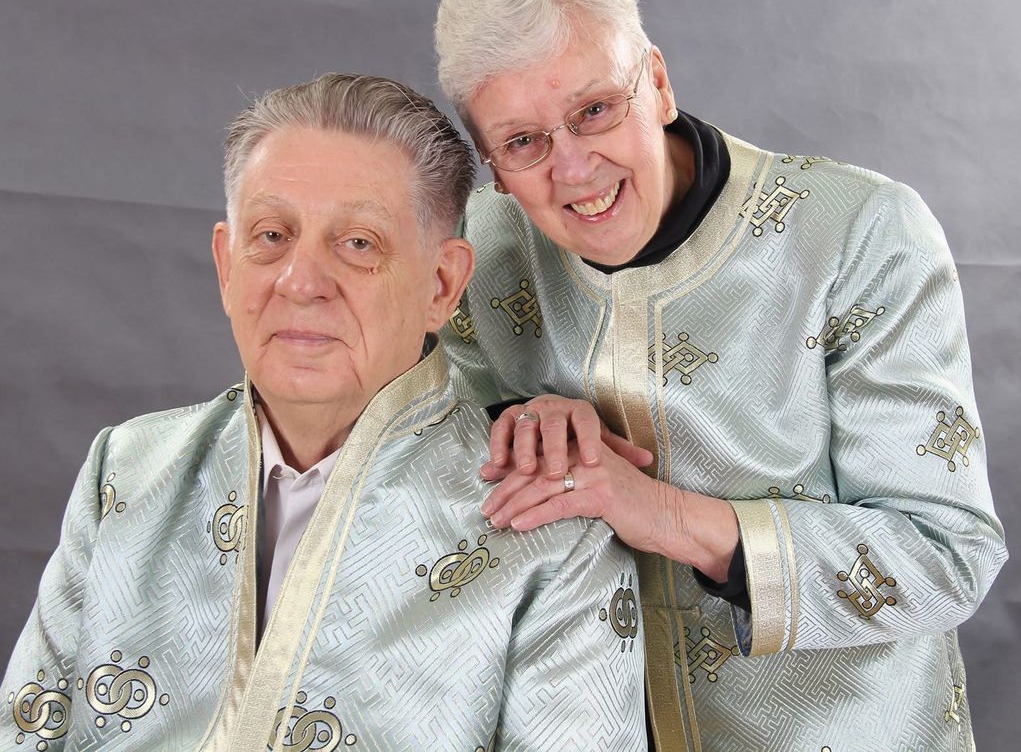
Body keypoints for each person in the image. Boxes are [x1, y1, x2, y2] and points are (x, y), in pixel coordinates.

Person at [435, 0, 1007, 751]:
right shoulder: (474, 249)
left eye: (595, 110)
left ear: (658, 83)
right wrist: (512, 426)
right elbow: (426, 488)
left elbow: (946, 556)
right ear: (492, 161)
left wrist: (659, 512)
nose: (574, 168)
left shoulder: (861, 234)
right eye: (523, 142)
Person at [1, 73, 646, 750]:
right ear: (226, 266)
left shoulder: (552, 532)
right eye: (272, 235)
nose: (301, 282)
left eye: (358, 243)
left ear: (442, 284)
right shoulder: (128, 471)